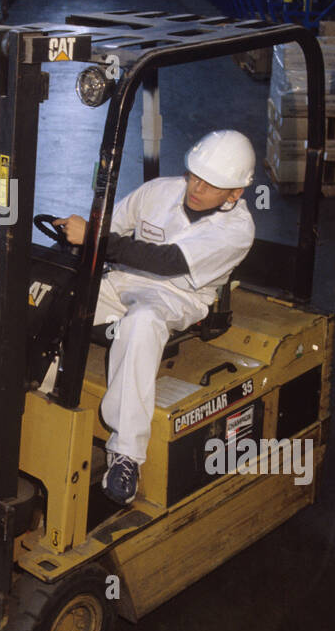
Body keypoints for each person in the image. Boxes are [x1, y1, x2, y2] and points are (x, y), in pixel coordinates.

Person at [53, 130, 257, 507]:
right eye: (194, 175)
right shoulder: (160, 190)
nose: (195, 188)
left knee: (142, 322)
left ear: (235, 193)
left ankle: (126, 453)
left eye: (211, 185)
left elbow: (168, 262)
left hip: (178, 294)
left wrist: (95, 240)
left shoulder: (237, 231)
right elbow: (110, 227)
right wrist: (67, 248)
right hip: (124, 277)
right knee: (51, 295)